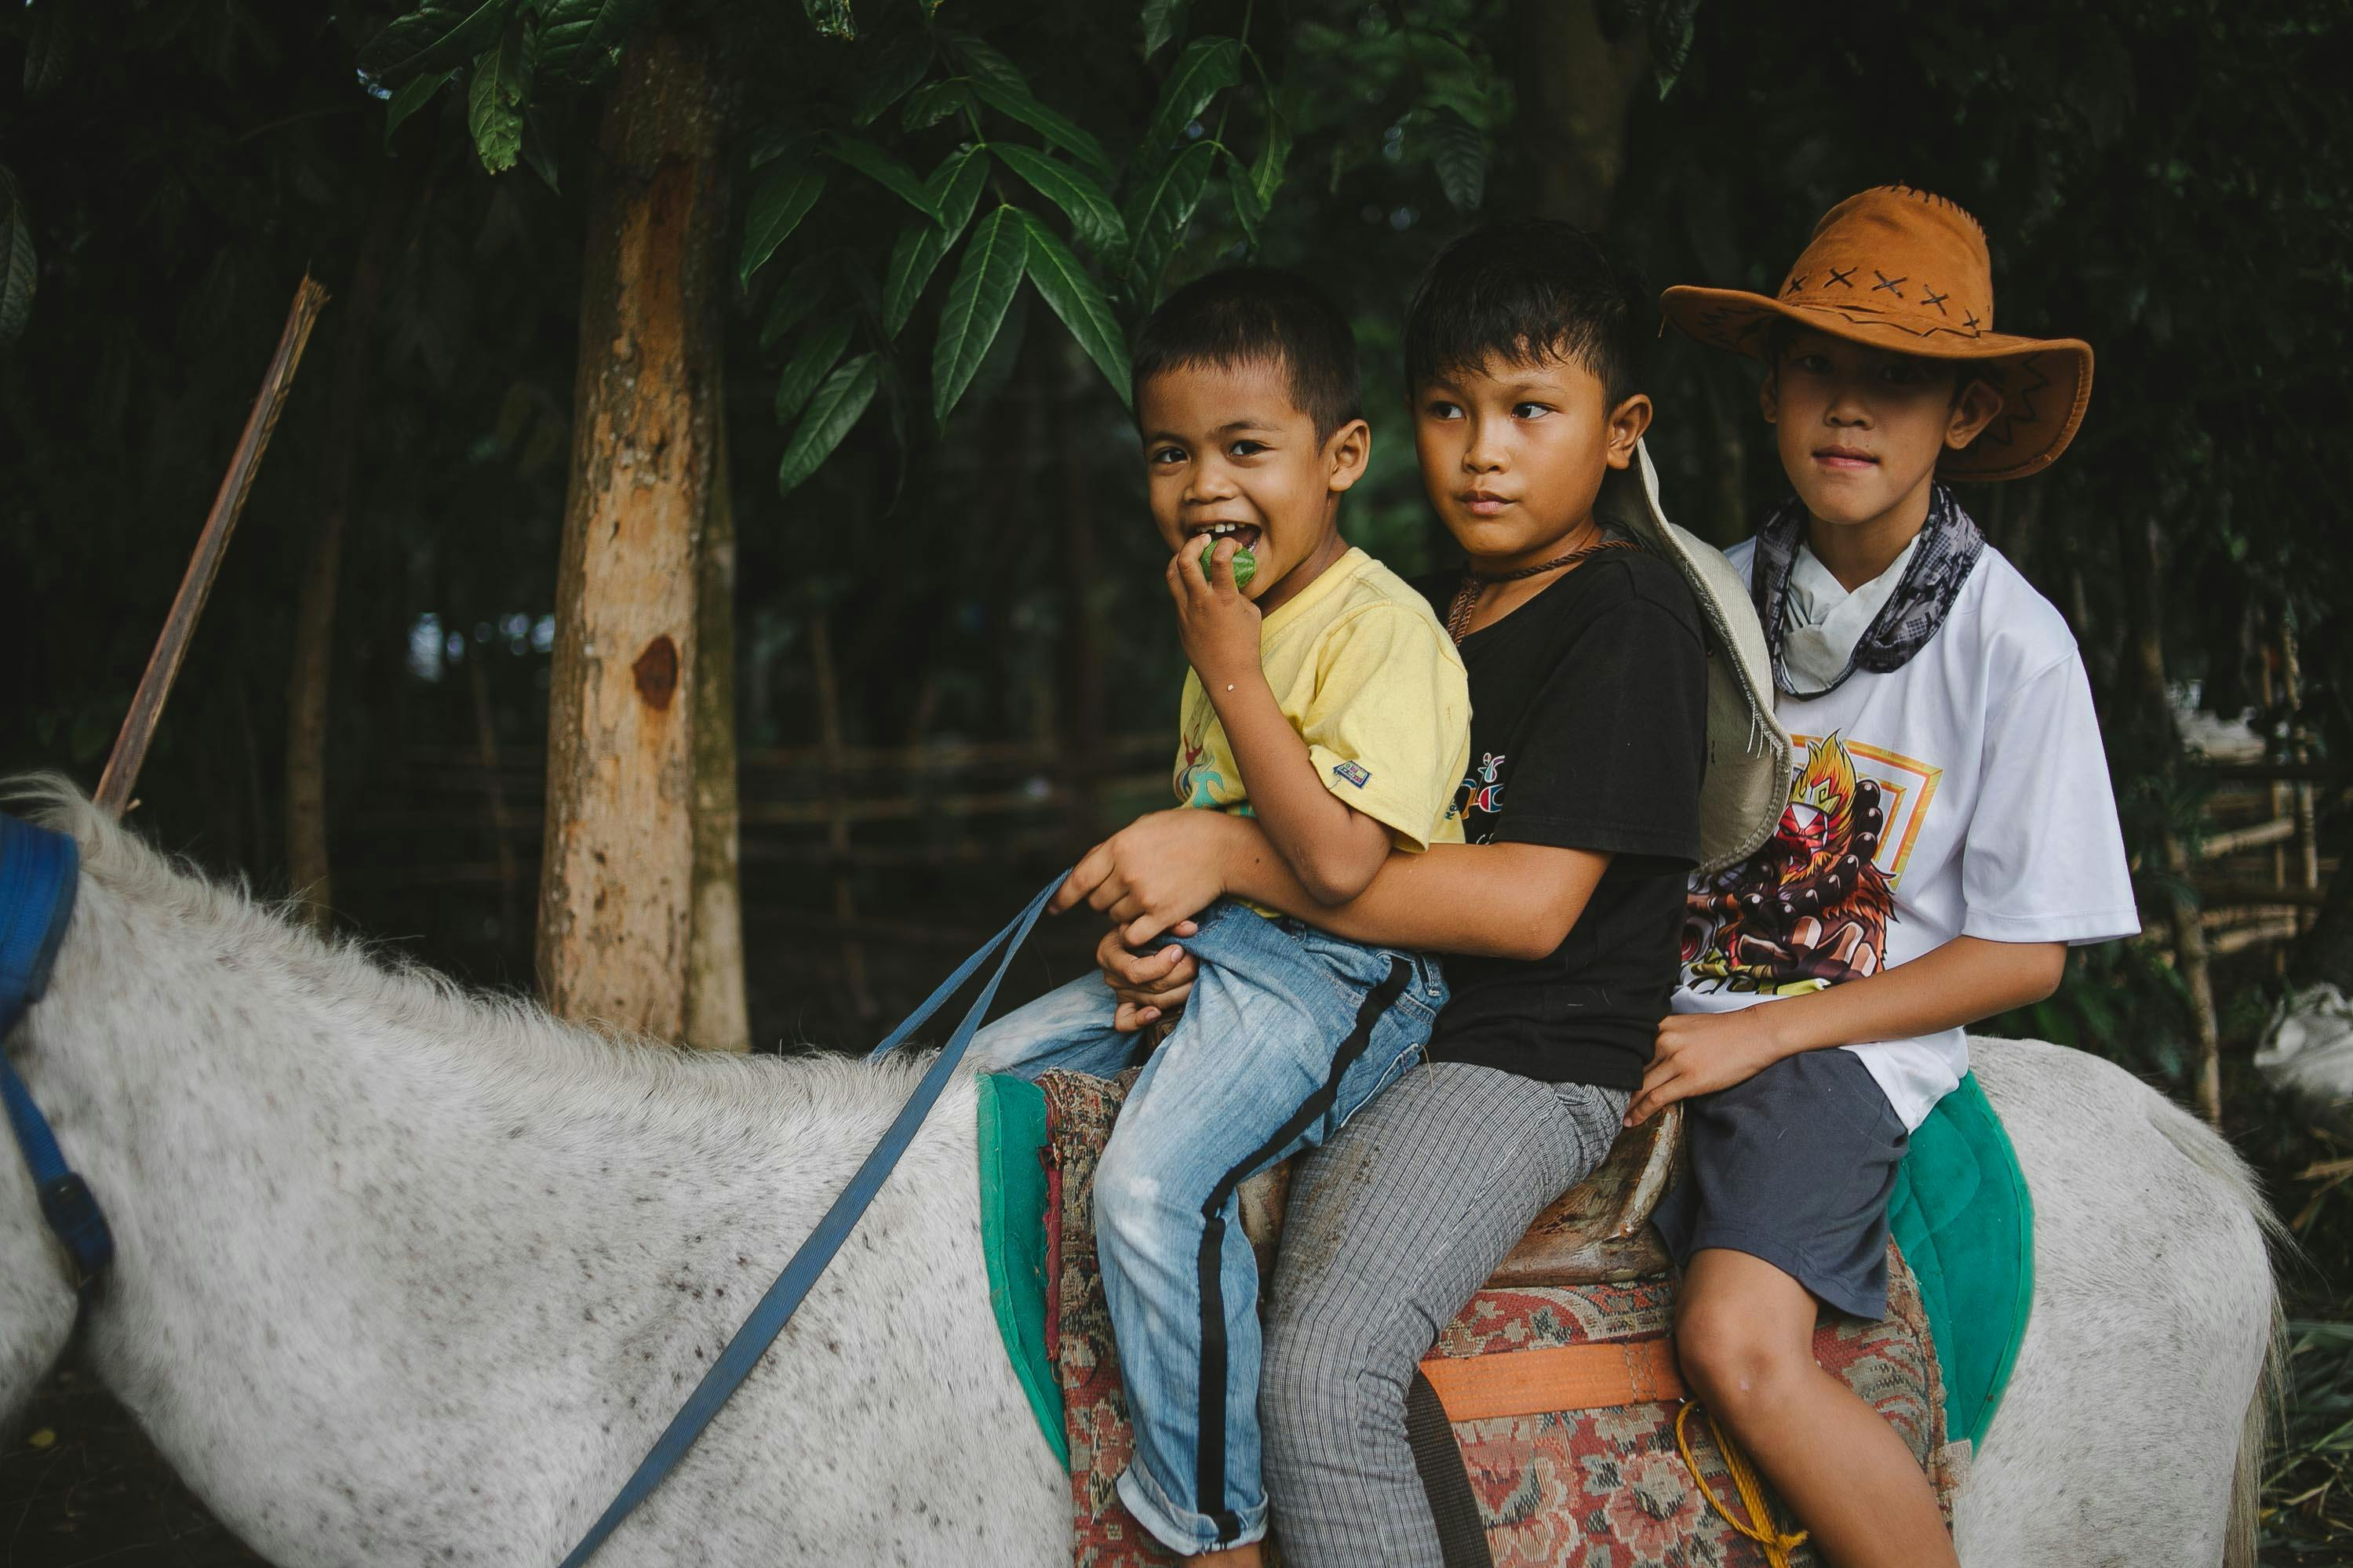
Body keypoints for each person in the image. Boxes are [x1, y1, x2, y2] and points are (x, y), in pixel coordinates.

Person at [1059, 219, 1783, 1567]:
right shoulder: (1427, 616)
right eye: (1449, 410)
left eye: (1528, 411)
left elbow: (1527, 908)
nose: (1484, 449)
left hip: (1526, 1052)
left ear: (1619, 430)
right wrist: (1190, 939)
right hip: (1398, 1013)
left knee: (1324, 1376)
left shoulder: (1625, 617)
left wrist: (1224, 860)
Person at [1634, 184, 2140, 1568]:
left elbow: (2029, 955)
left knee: (1737, 1343)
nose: (1849, 410)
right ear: (1772, 391)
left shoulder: (2011, 647)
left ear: (1964, 416)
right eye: (1820, 367)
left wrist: (1772, 1033)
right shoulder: (1707, 596)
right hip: (1666, 1000)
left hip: (1844, 1046)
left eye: (1898, 380)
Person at [969, 267, 1472, 1564]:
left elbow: (1340, 866)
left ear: (1341, 455)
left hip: (1349, 975)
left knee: (1151, 1188)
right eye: (1170, 455)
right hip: (1233, 953)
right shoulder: (1227, 630)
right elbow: (1205, 842)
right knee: (967, 1089)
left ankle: (1214, 1525)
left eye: (1247, 448)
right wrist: (1146, 944)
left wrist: (1234, 669)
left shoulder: (1379, 631)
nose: (1205, 488)